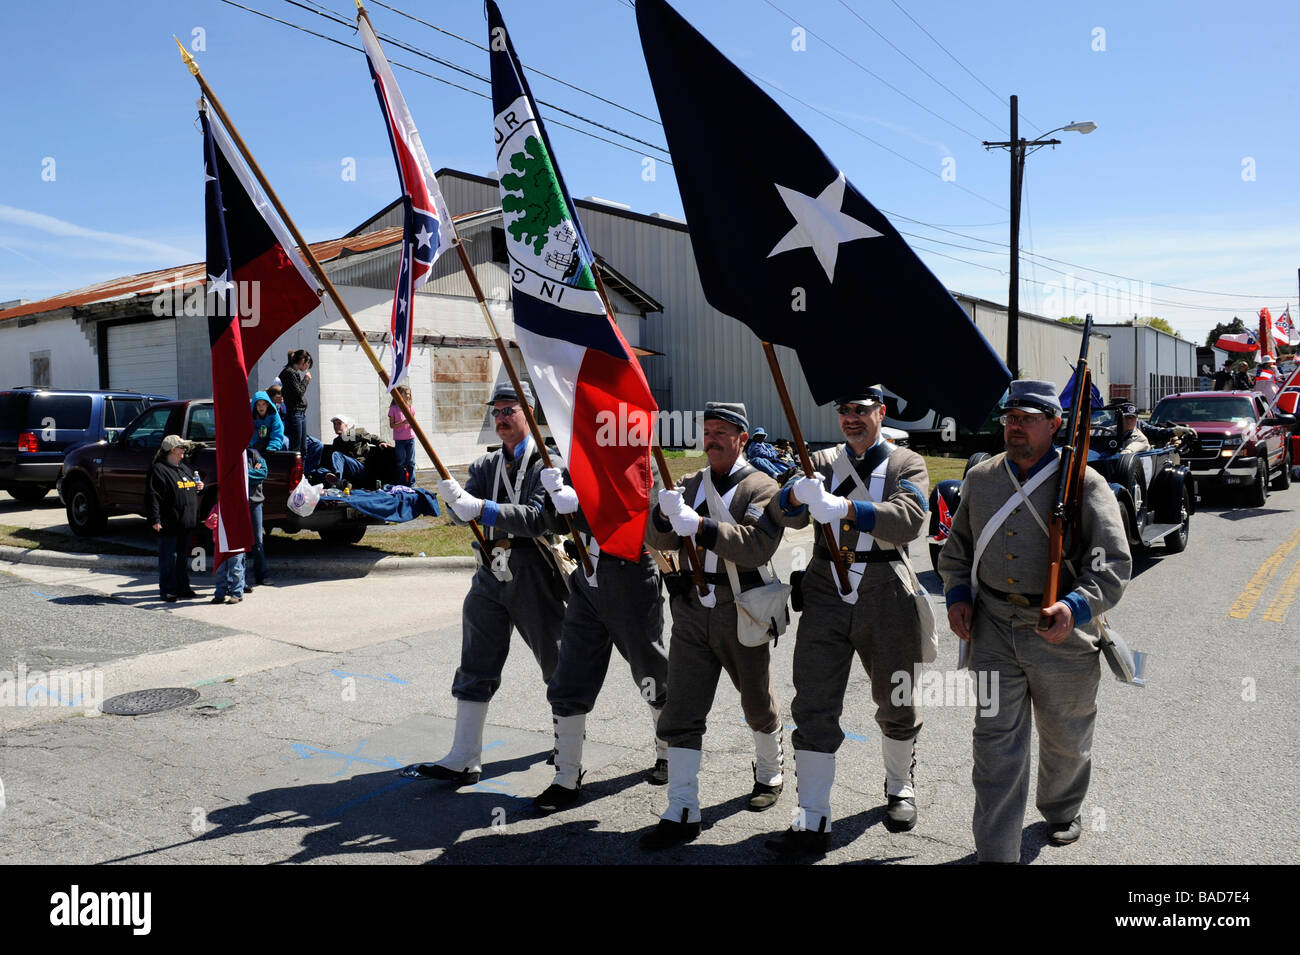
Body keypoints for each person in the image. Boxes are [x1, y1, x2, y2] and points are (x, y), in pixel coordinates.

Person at [938, 380, 1131, 864]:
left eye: (1026, 417)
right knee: (994, 744)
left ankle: (1062, 809)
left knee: (1066, 736)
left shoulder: (1084, 482)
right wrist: (958, 594)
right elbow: (956, 548)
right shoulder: (981, 478)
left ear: (1054, 423)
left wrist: (1075, 607)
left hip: (1061, 632)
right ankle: (996, 853)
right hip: (992, 626)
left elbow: (1111, 564)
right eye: (1010, 417)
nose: (1015, 426)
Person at [763, 386, 931, 855]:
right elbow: (782, 515)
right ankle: (812, 817)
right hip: (824, 590)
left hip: (884, 592)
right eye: (844, 411)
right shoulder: (821, 461)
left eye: (861, 410)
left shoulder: (905, 464)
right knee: (813, 702)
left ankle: (899, 787)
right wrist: (794, 494)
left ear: (881, 412)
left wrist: (848, 509)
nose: (851, 419)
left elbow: (909, 520)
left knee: (896, 694)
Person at [401, 381, 567, 785]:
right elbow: (463, 515)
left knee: (555, 658)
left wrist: (481, 507)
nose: (502, 418)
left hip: (534, 568)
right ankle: (464, 755)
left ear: (529, 413)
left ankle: (568, 743)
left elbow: (538, 518)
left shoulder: (549, 464)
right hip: (489, 568)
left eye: (510, 410)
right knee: (476, 656)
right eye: (496, 411)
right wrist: (455, 503)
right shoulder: (484, 466)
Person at [640, 401, 786, 850]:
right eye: (708, 430)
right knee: (682, 707)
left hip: (740, 604)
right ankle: (682, 808)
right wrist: (663, 517)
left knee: (756, 699)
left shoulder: (762, 486)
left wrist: (699, 526)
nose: (713, 438)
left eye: (723, 431)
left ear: (742, 438)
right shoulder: (688, 483)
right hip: (690, 608)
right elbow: (657, 540)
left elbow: (757, 546)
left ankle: (770, 769)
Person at [531, 464, 670, 811]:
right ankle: (566, 775)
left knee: (650, 670)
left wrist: (576, 509)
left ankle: (668, 750)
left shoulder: (641, 463)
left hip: (631, 576)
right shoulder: (579, 465)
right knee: (570, 676)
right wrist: (553, 499)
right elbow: (555, 523)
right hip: (587, 581)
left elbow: (636, 521)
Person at [146, 435, 203, 602]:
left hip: (186, 523)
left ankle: (183, 588)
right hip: (169, 523)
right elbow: (153, 497)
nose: (184, 450)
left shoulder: (184, 468)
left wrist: (199, 487)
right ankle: (168, 590)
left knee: (182, 559)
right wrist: (155, 519)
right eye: (181, 447)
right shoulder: (159, 469)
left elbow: (189, 489)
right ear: (172, 450)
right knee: (169, 559)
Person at [320, 413, 392, 488]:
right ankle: (342, 483)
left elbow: (372, 437)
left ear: (346, 425)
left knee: (337, 455)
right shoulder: (336, 441)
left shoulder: (356, 433)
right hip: (345, 470)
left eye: (339, 424)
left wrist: (381, 442)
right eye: (334, 424)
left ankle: (337, 479)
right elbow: (330, 460)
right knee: (320, 470)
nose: (336, 426)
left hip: (358, 467)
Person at [1117, 403, 1194, 454]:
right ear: (1120, 419)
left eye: (1132, 417)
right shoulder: (1112, 429)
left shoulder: (1140, 427)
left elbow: (1158, 432)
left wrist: (1176, 430)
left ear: (1136, 419)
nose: (1129, 421)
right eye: (1126, 417)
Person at [278, 349, 313, 455]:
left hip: (300, 413)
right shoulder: (289, 373)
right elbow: (299, 393)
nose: (307, 366)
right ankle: (295, 471)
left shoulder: (293, 373)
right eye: (307, 363)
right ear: (302, 361)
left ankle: (301, 471)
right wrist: (306, 379)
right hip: (295, 413)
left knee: (303, 448)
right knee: (296, 448)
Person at [388, 384, 416, 486]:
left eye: (409, 394)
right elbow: (392, 426)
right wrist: (403, 423)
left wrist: (411, 424)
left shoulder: (411, 408)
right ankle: (401, 483)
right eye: (405, 394)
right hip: (399, 440)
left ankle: (412, 483)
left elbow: (413, 423)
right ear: (399, 395)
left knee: (411, 462)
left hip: (410, 438)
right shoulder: (393, 409)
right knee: (400, 463)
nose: (408, 396)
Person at [248, 390, 285, 455]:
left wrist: (273, 446)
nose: (261, 407)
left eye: (263, 404)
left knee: (285, 442)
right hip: (258, 445)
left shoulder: (274, 415)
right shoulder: (252, 417)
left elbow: (278, 431)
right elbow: (250, 432)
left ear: (267, 404)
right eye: (258, 404)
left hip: (273, 445)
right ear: (255, 406)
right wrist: (255, 443)